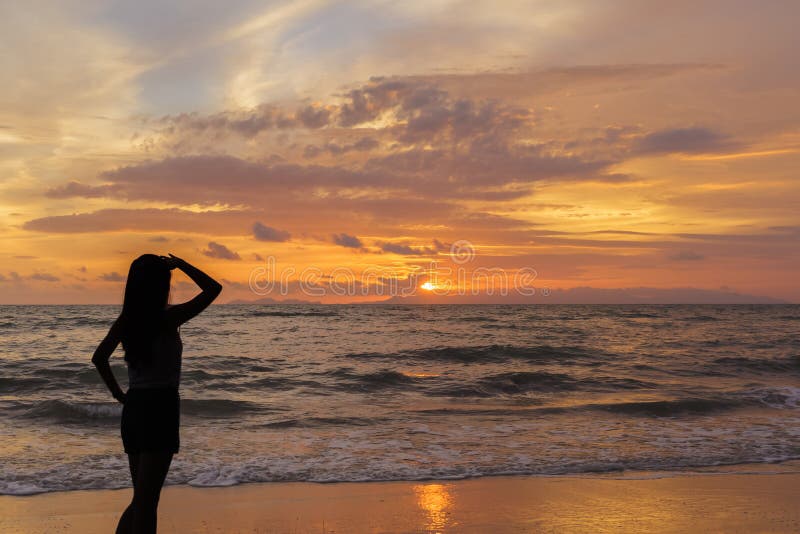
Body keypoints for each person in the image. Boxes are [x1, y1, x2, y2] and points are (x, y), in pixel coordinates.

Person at [92, 253, 222, 534]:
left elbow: (99, 357)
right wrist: (183, 264)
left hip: (135, 407)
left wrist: (120, 395)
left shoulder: (127, 320)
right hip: (160, 406)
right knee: (147, 502)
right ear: (161, 285)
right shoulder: (168, 318)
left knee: (141, 498)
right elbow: (214, 289)